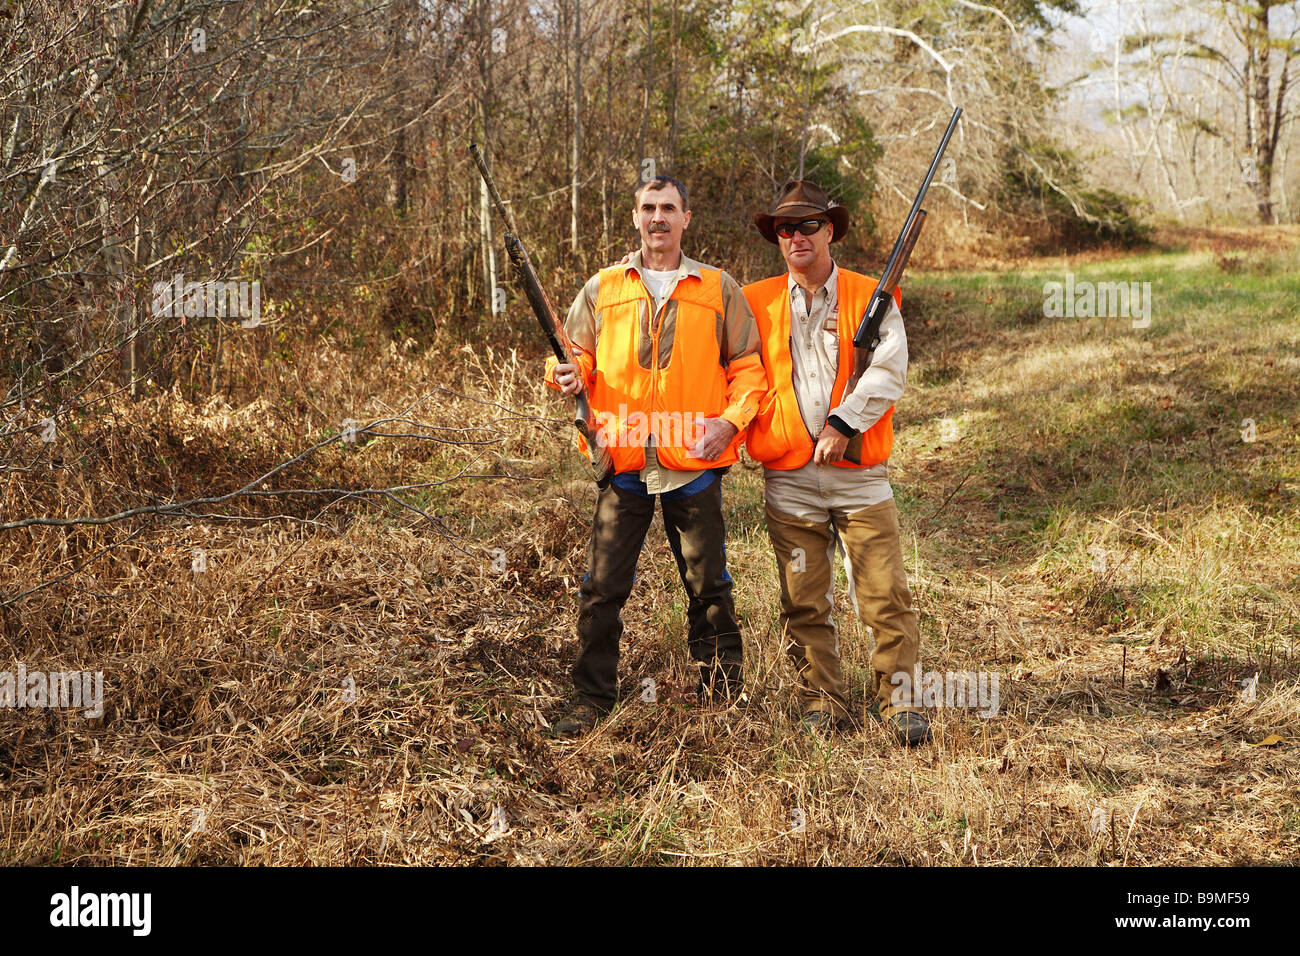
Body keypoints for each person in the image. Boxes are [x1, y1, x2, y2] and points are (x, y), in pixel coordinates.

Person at [544, 174, 766, 737]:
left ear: (687, 218)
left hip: (692, 463)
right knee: (602, 586)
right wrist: (565, 374)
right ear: (635, 217)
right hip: (624, 464)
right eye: (648, 208)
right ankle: (591, 699)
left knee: (708, 583)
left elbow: (748, 370)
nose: (658, 218)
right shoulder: (602, 287)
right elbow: (576, 357)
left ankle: (721, 696)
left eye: (669, 207)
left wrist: (729, 423)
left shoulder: (718, 288)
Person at [742, 179, 931, 745]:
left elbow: (889, 369)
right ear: (777, 240)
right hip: (789, 480)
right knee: (803, 598)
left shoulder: (872, 295)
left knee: (884, 593)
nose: (796, 236)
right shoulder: (753, 301)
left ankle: (899, 701)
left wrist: (845, 422)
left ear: (829, 231)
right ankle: (818, 699)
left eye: (808, 226)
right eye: (785, 228)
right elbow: (702, 320)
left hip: (859, 478)